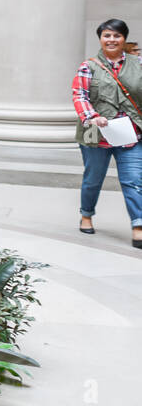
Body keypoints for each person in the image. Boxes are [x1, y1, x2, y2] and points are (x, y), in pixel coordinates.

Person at [71, 18, 142, 247]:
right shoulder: (88, 66)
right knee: (93, 179)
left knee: (134, 181)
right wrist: (92, 117)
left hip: (131, 136)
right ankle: (86, 215)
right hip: (96, 134)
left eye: (117, 36)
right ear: (101, 39)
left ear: (124, 39)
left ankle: (138, 224)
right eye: (107, 36)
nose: (112, 40)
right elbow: (79, 95)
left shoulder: (138, 63)